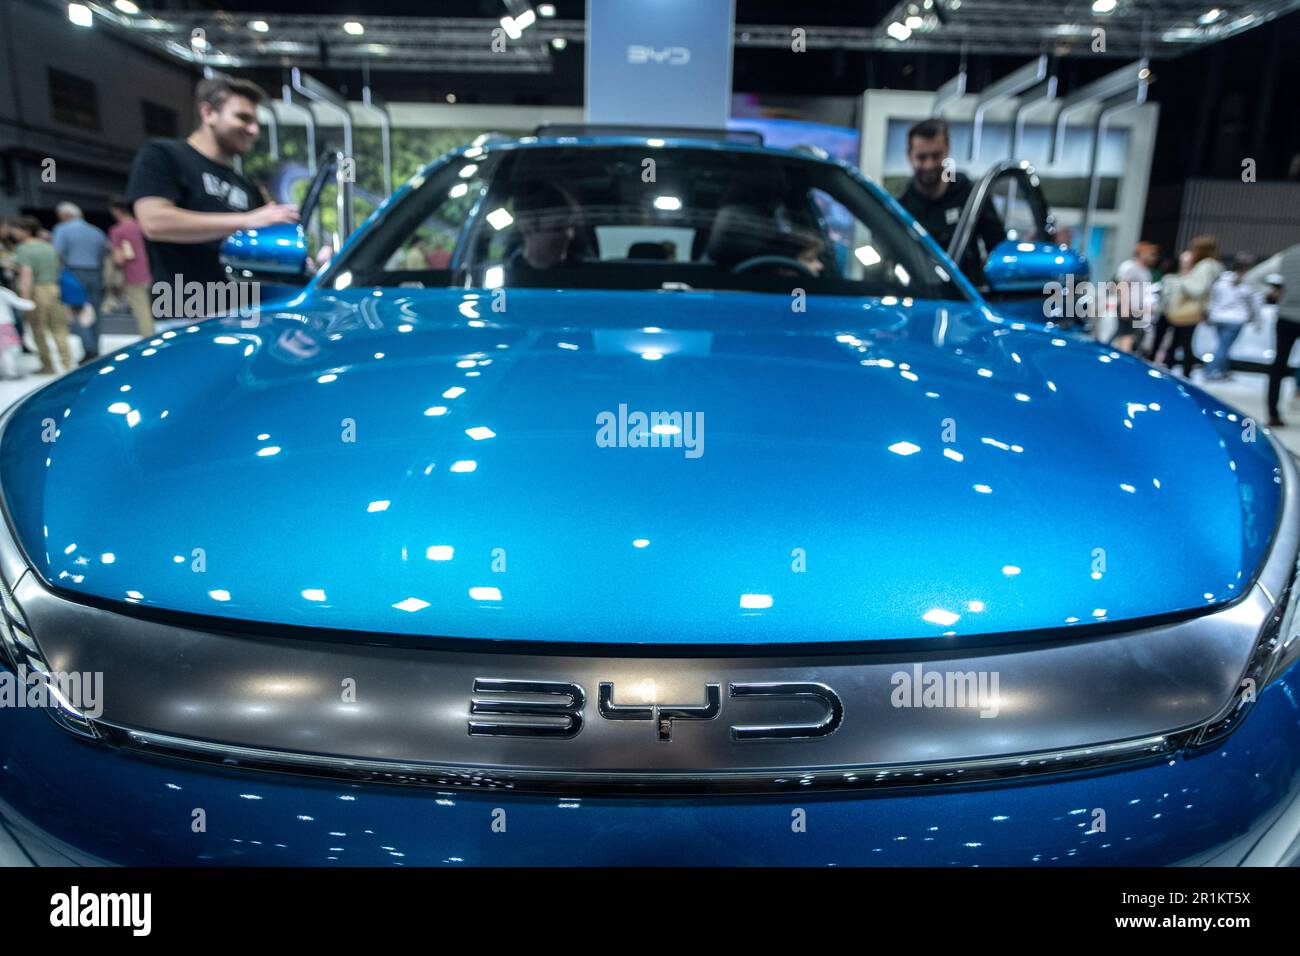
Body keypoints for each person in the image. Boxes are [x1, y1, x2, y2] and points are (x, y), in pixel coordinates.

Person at [124, 76, 298, 297]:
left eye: (256, 123)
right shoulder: (164, 155)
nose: (253, 130)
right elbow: (153, 221)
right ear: (208, 113)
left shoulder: (246, 186)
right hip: (184, 310)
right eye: (243, 118)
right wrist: (246, 221)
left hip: (244, 312)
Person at [895, 118, 1004, 280]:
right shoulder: (901, 208)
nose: (929, 165)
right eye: (922, 157)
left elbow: (998, 250)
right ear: (910, 156)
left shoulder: (972, 195)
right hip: (922, 298)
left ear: (947, 150)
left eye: (936, 155)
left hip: (968, 296)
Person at [6, 216, 73, 375]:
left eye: (16, 229)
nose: (13, 232)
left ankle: (47, 365)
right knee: (59, 328)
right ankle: (67, 364)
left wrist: (25, 298)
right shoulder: (49, 247)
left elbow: (26, 275)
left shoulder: (23, 249)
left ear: (25, 230)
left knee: (38, 329)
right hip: (55, 289)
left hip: (37, 291)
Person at [51, 202, 107, 362]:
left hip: (74, 273)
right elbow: (104, 254)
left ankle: (88, 349)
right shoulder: (96, 231)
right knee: (95, 311)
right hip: (95, 273)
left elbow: (57, 253)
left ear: (64, 215)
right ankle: (95, 347)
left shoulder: (62, 230)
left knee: (79, 311)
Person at [1163, 236, 1223, 379]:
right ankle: (1180, 372)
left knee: (1184, 342)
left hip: (1189, 309)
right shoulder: (1210, 266)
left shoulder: (1205, 266)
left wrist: (1184, 278)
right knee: (1182, 341)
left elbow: (1198, 289)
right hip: (1194, 309)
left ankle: (1183, 373)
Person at [1204, 253, 1260, 381]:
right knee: (1223, 347)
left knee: (1223, 346)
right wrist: (1257, 321)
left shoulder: (1220, 281)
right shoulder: (1248, 284)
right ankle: (1210, 372)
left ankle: (1225, 371)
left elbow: (1212, 299)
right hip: (1235, 320)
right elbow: (1255, 304)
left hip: (1218, 317)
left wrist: (1209, 314)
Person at [107, 197, 154, 337]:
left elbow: (119, 259)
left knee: (143, 314)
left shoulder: (118, 231)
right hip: (153, 273)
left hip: (134, 276)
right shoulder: (142, 226)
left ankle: (149, 343)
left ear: (116, 211)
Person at [1266, 243, 1300, 426]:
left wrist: (1275, 293)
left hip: (1285, 317)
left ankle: (1272, 413)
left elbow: (1253, 277)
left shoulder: (1287, 254)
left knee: (1278, 364)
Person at [1111, 241, 1158, 353]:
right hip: (1128, 307)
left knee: (1129, 335)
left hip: (1137, 308)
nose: (1152, 257)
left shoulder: (1145, 271)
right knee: (1126, 335)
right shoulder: (1130, 267)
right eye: (1149, 254)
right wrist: (1124, 307)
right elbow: (1122, 286)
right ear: (1141, 253)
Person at [0, 274, 34, 380]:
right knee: (8, 350)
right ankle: (10, 372)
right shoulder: (3, 292)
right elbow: (18, 302)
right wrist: (33, 304)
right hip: (3, 324)